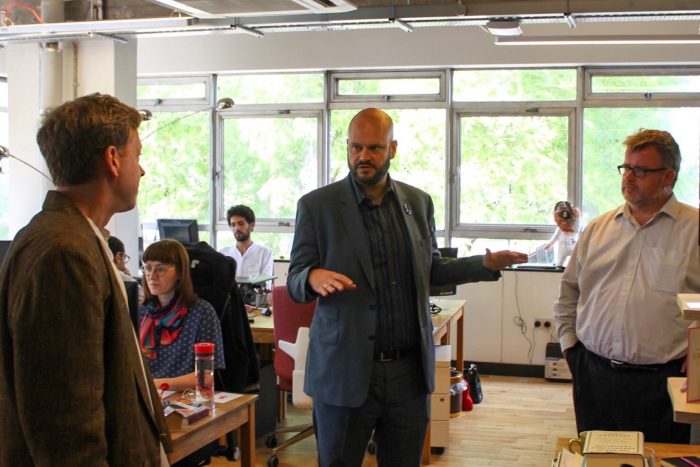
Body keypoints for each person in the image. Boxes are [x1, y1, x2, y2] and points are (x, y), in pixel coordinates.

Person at [286, 107, 528, 467]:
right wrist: (311, 277)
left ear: (392, 149)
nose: (363, 157)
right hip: (345, 371)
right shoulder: (318, 206)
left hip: (407, 373)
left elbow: (429, 271)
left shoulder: (417, 202)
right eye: (355, 148)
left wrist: (483, 265)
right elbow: (294, 279)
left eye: (373, 148)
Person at [0, 93, 171, 465]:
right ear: (113, 159)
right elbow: (65, 420)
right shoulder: (63, 252)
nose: (141, 170)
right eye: (137, 156)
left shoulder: (77, 237)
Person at [554, 129, 699, 443]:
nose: (629, 177)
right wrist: (570, 347)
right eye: (626, 168)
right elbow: (570, 291)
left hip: (661, 383)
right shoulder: (598, 228)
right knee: (596, 459)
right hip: (593, 373)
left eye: (641, 170)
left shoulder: (694, 229)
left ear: (668, 176)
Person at [139, 239, 225, 391]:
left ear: (179, 273)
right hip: (146, 396)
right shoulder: (140, 312)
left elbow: (205, 376)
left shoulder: (201, 312)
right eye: (147, 268)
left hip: (185, 397)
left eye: (160, 269)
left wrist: (154, 385)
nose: (151, 276)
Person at [542, 200, 582, 267]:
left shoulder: (575, 229)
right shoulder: (560, 230)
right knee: (560, 263)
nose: (564, 217)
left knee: (575, 264)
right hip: (562, 249)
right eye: (560, 214)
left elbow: (577, 229)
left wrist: (578, 217)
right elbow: (554, 238)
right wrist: (549, 245)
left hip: (573, 249)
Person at [108, 235, 144, 302]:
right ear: (118, 257)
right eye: (124, 258)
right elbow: (144, 300)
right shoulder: (121, 277)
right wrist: (129, 279)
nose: (124, 264)